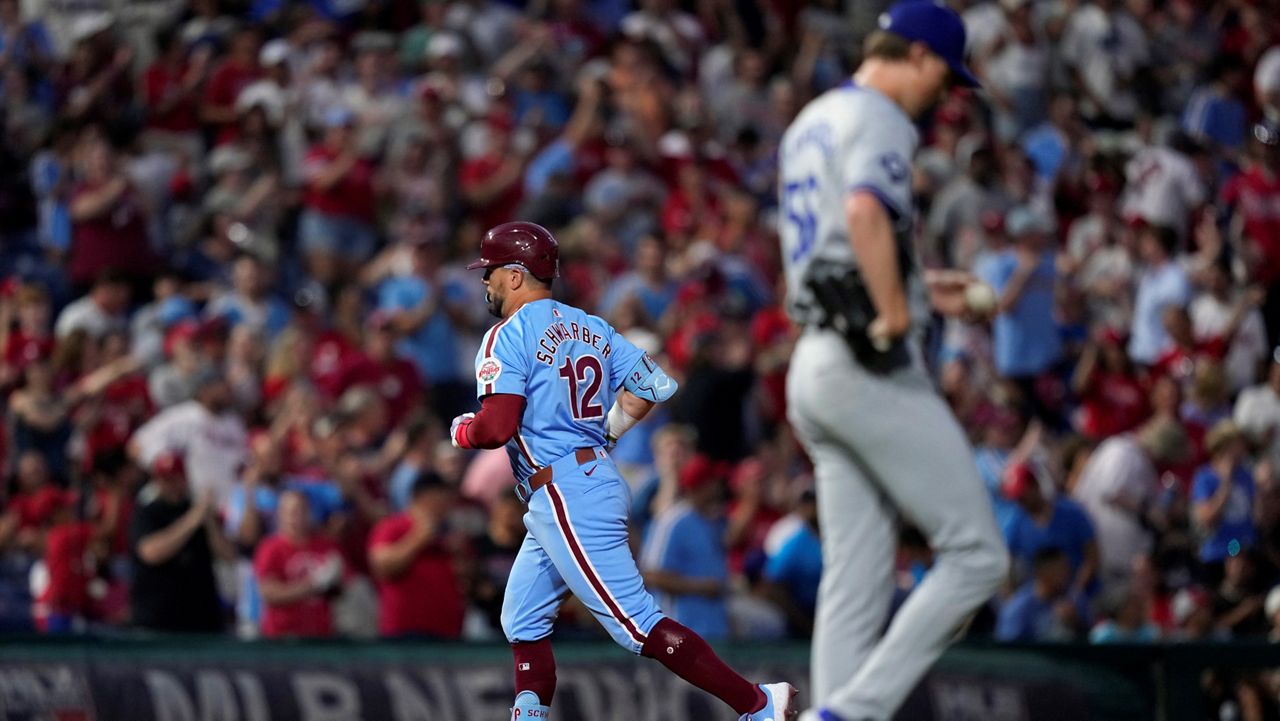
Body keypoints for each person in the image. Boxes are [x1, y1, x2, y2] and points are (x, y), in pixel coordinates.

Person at [449, 221, 795, 721]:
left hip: (564, 490)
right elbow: (653, 386)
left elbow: (497, 426)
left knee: (636, 625)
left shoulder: (508, 334)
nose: (487, 282)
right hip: (582, 480)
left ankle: (760, 703)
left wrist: (464, 430)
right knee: (521, 616)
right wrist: (606, 433)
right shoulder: (590, 324)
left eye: (493, 272)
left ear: (518, 275)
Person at [777, 5, 1009, 720]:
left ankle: (836, 712)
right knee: (977, 556)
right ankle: (854, 713)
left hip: (813, 362)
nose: (946, 92)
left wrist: (920, 289)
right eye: (943, 73)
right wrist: (900, 312)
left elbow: (834, 254)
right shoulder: (879, 115)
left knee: (857, 572)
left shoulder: (810, 119)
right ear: (914, 53)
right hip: (864, 365)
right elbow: (866, 212)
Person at [129, 452, 227, 632]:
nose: (170, 485)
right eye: (165, 479)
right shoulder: (147, 511)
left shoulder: (198, 510)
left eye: (174, 478)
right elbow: (150, 552)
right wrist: (191, 521)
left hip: (200, 620)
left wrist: (209, 521)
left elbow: (227, 555)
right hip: (157, 620)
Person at [639, 455, 732, 640]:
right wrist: (701, 587)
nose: (718, 487)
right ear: (702, 486)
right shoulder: (672, 521)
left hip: (713, 631)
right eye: (713, 482)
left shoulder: (711, 521)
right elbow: (652, 575)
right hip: (679, 631)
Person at [367, 471, 465, 639]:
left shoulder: (448, 535)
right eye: (440, 500)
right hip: (405, 633)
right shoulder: (393, 527)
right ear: (422, 497)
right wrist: (419, 538)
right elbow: (383, 566)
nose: (445, 507)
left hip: (447, 634)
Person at [252, 490, 345, 639]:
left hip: (321, 634)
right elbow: (269, 593)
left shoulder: (326, 546)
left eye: (300, 510)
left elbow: (340, 592)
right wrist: (313, 585)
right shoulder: (270, 548)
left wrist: (334, 582)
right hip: (283, 635)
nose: (295, 517)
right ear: (280, 514)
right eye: (290, 512)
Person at [995, 547, 1089, 642]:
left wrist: (1075, 623)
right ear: (1044, 574)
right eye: (1061, 570)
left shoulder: (1075, 599)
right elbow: (1008, 650)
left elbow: (1093, 639)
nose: (1067, 574)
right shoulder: (1018, 608)